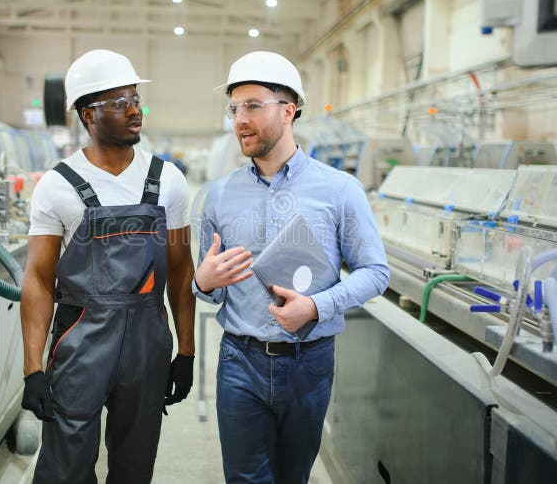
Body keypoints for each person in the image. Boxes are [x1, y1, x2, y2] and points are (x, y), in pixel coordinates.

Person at [193, 51, 389, 483]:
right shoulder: (219, 196)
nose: (240, 119)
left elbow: (376, 272)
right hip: (239, 360)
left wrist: (316, 307)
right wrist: (203, 283)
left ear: (289, 110)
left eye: (252, 106)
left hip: (308, 363)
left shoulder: (339, 190)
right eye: (234, 108)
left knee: (292, 477)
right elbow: (212, 288)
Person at [20, 49, 196, 483]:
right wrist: (33, 368)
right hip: (81, 336)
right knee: (67, 466)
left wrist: (187, 351)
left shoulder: (168, 181)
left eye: (136, 100)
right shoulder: (57, 186)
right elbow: (39, 279)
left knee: (135, 466)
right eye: (120, 103)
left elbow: (180, 270)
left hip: (147, 340)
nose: (135, 110)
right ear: (87, 114)